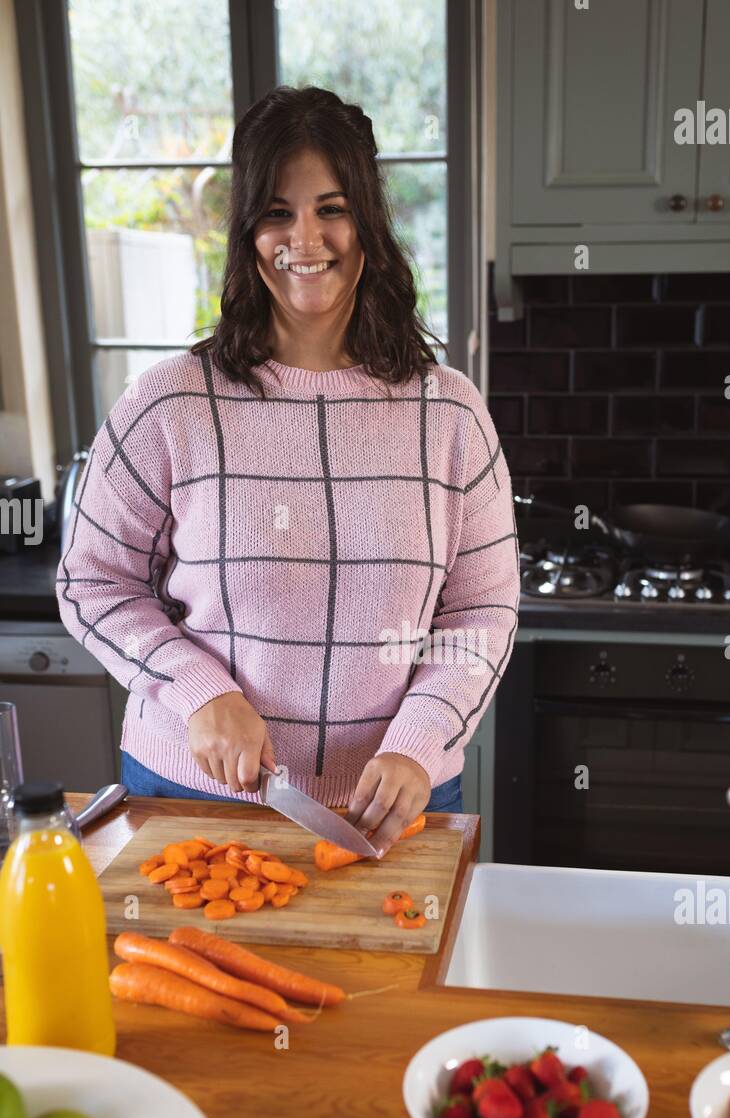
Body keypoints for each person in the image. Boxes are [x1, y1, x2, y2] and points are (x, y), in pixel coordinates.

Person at [57, 86, 520, 854]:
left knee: (401, 978)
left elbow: (482, 613)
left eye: (331, 208)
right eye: (277, 212)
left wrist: (423, 733)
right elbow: (92, 582)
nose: (305, 237)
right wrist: (198, 692)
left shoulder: (450, 412)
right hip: (194, 794)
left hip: (400, 799)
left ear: (368, 223)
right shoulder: (171, 402)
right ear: (247, 231)